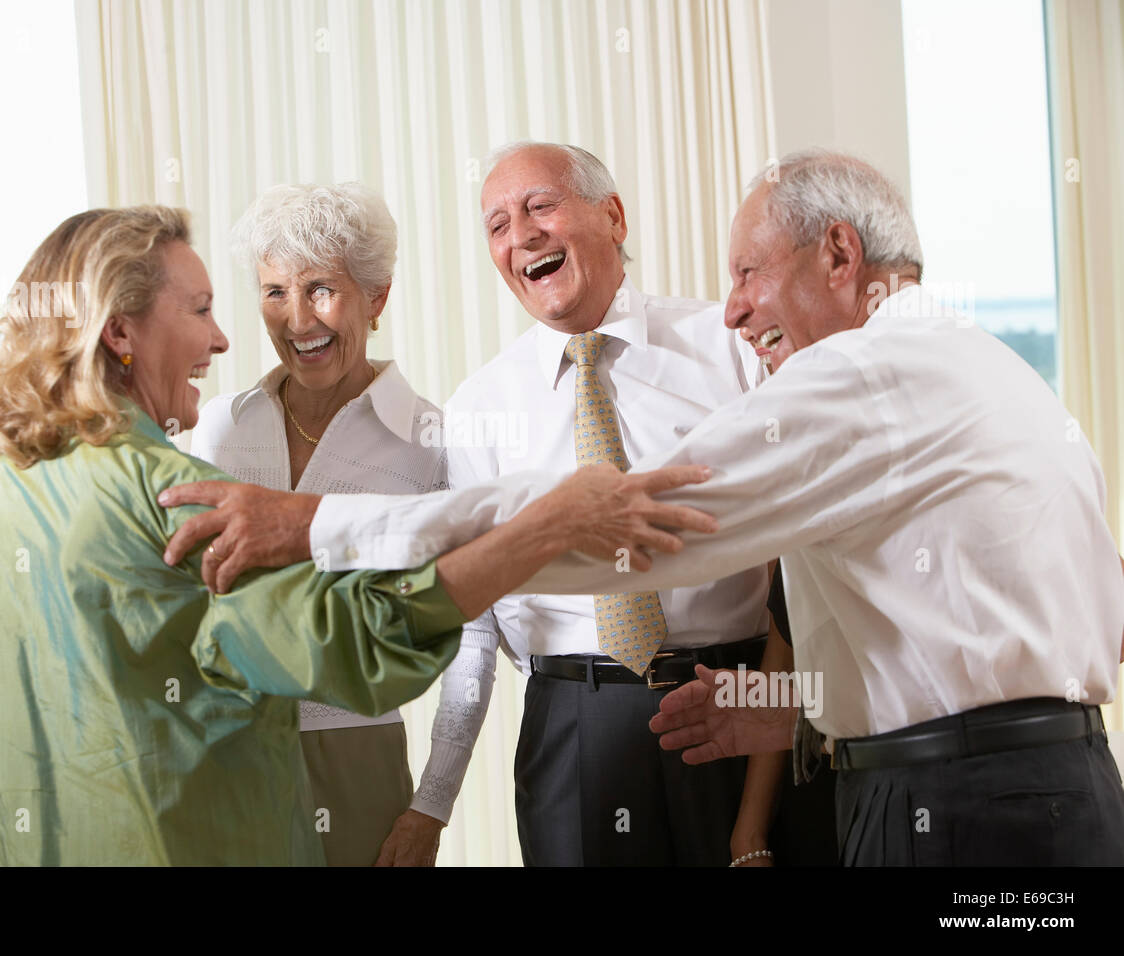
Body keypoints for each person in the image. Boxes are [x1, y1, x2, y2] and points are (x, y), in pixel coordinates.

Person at [165, 149, 1124, 865]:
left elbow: (635, 525)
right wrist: (792, 709)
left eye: (749, 274)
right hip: (994, 782)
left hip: (960, 808)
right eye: (496, 222)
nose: (737, 309)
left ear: (838, 252)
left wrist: (313, 523)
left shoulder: (853, 373)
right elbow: (1018, 634)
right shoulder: (986, 362)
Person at [0, 205, 714, 865]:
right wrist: (546, 523)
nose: (221, 338)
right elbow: (360, 639)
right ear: (123, 332)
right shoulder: (174, 500)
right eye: (201, 308)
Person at [165, 142, 785, 867]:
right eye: (497, 223)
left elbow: (800, 538)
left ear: (612, 216)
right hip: (571, 719)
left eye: (540, 207)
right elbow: (479, 618)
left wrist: (781, 698)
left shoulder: (731, 344)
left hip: (734, 693)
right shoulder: (477, 406)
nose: (521, 235)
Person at [189, 183, 454, 866]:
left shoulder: (427, 440)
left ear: (377, 297)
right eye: (275, 292)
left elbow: (471, 626)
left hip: (355, 753)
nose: (298, 318)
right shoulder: (220, 428)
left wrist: (432, 804)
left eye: (320, 289)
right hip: (228, 744)